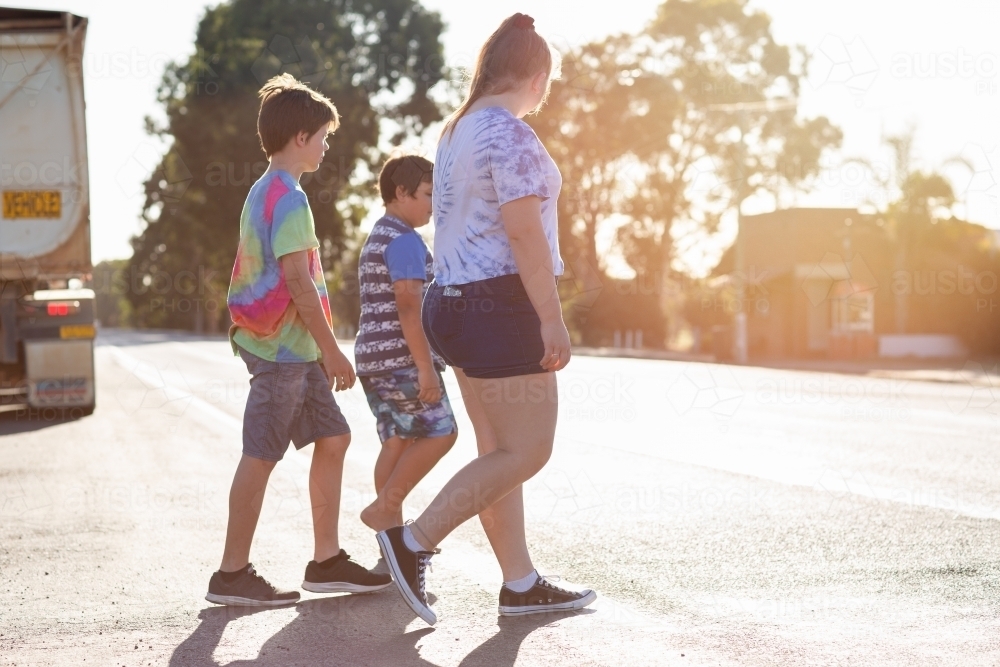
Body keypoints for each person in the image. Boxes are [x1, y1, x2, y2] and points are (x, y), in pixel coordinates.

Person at [376, 13, 597, 625]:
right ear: (537, 76)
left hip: (453, 302)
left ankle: (519, 582)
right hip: (500, 306)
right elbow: (525, 233)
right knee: (528, 451)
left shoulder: (458, 130)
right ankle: (412, 539)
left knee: (498, 451)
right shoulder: (510, 134)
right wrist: (550, 319)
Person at [206, 73, 391, 607]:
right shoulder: (287, 198)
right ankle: (231, 574)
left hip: (293, 349)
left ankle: (326, 560)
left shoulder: (266, 191)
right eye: (325, 135)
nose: (328, 145)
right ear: (301, 138)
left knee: (334, 439)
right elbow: (297, 281)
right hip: (282, 351)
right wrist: (332, 349)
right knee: (260, 456)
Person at [354, 155, 458, 572]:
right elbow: (408, 306)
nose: (433, 206)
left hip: (373, 359)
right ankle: (386, 512)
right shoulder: (405, 240)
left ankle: (390, 552)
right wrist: (425, 367)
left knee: (397, 443)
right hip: (402, 361)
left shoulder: (379, 235)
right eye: (429, 195)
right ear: (402, 192)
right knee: (442, 432)